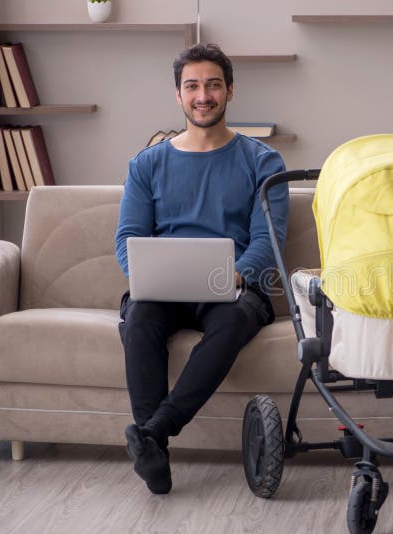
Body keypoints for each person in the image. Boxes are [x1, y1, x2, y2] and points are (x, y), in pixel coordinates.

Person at [114, 43, 289, 494]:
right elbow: (126, 239)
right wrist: (147, 273)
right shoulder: (147, 164)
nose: (203, 95)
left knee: (232, 319)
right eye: (192, 86)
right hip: (164, 289)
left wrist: (234, 274)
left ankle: (154, 434)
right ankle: (156, 456)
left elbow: (269, 240)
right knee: (139, 321)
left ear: (230, 91)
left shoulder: (262, 161)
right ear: (178, 95)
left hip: (231, 289)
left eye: (213, 85)